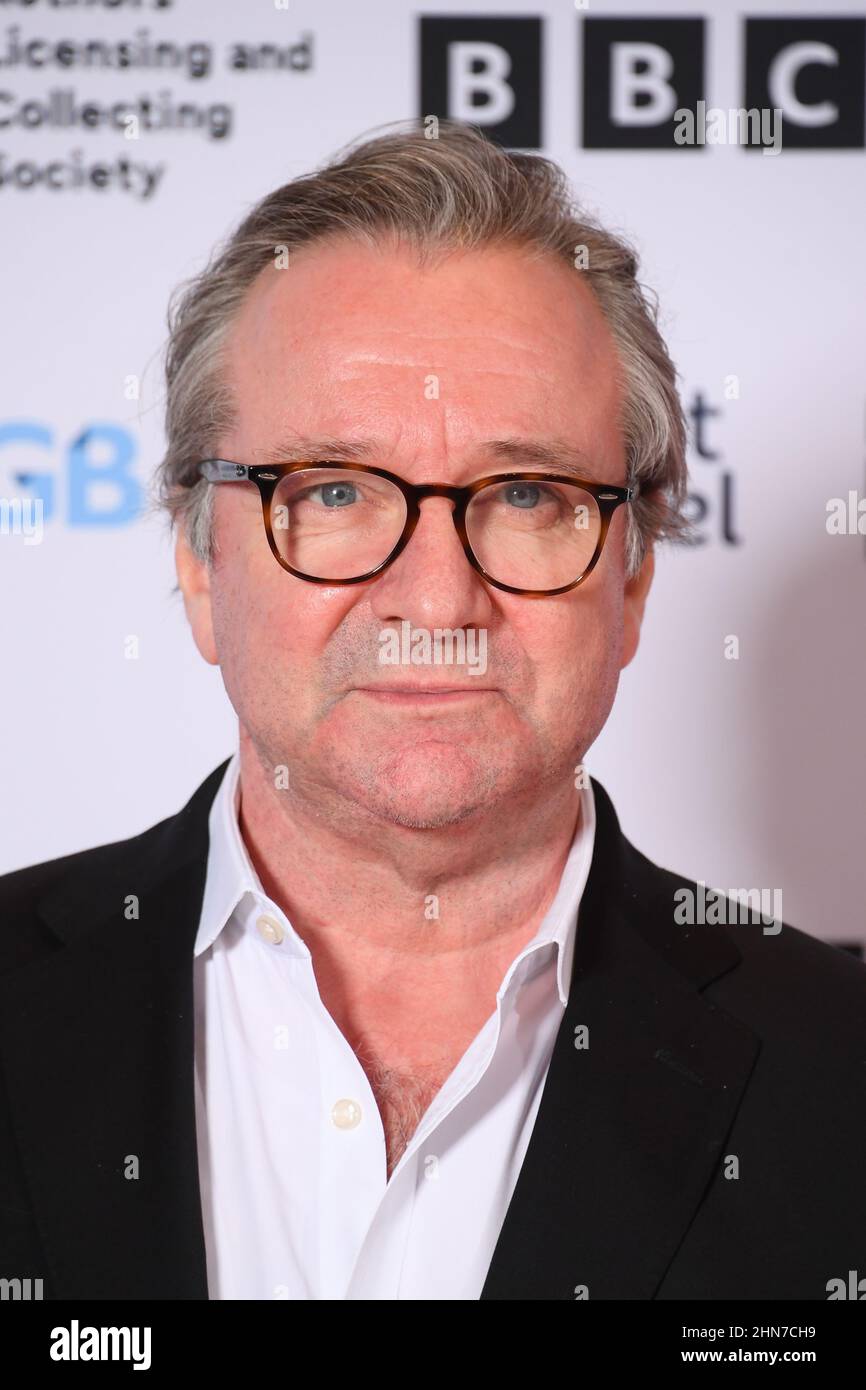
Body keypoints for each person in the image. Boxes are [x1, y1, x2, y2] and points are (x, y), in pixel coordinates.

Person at [1, 121, 864, 1302]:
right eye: (337, 490)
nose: (434, 594)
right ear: (202, 570)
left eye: (523, 493)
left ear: (632, 583)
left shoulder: (842, 1073)